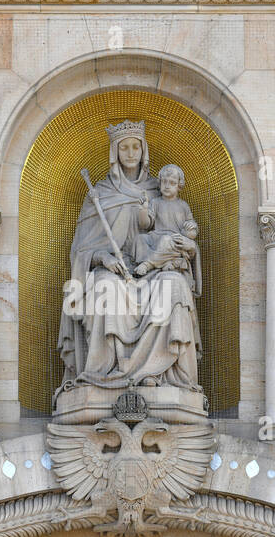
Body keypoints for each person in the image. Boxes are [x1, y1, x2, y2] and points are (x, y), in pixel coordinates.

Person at [57, 121, 201, 392]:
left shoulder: (160, 192)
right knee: (104, 287)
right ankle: (104, 372)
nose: (131, 153)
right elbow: (81, 248)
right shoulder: (100, 194)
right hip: (115, 269)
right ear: (115, 151)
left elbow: (182, 235)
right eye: (124, 147)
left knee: (175, 285)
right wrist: (103, 258)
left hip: (155, 268)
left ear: (144, 150)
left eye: (136, 147)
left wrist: (186, 249)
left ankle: (160, 372)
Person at [135, 163, 202, 296]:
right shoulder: (155, 202)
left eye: (172, 183)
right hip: (156, 237)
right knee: (139, 238)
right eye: (164, 182)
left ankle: (148, 264)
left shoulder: (183, 205)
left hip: (174, 241)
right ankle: (150, 265)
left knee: (166, 240)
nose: (167, 186)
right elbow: (145, 225)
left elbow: (191, 228)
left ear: (179, 186)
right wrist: (143, 209)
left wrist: (192, 227)